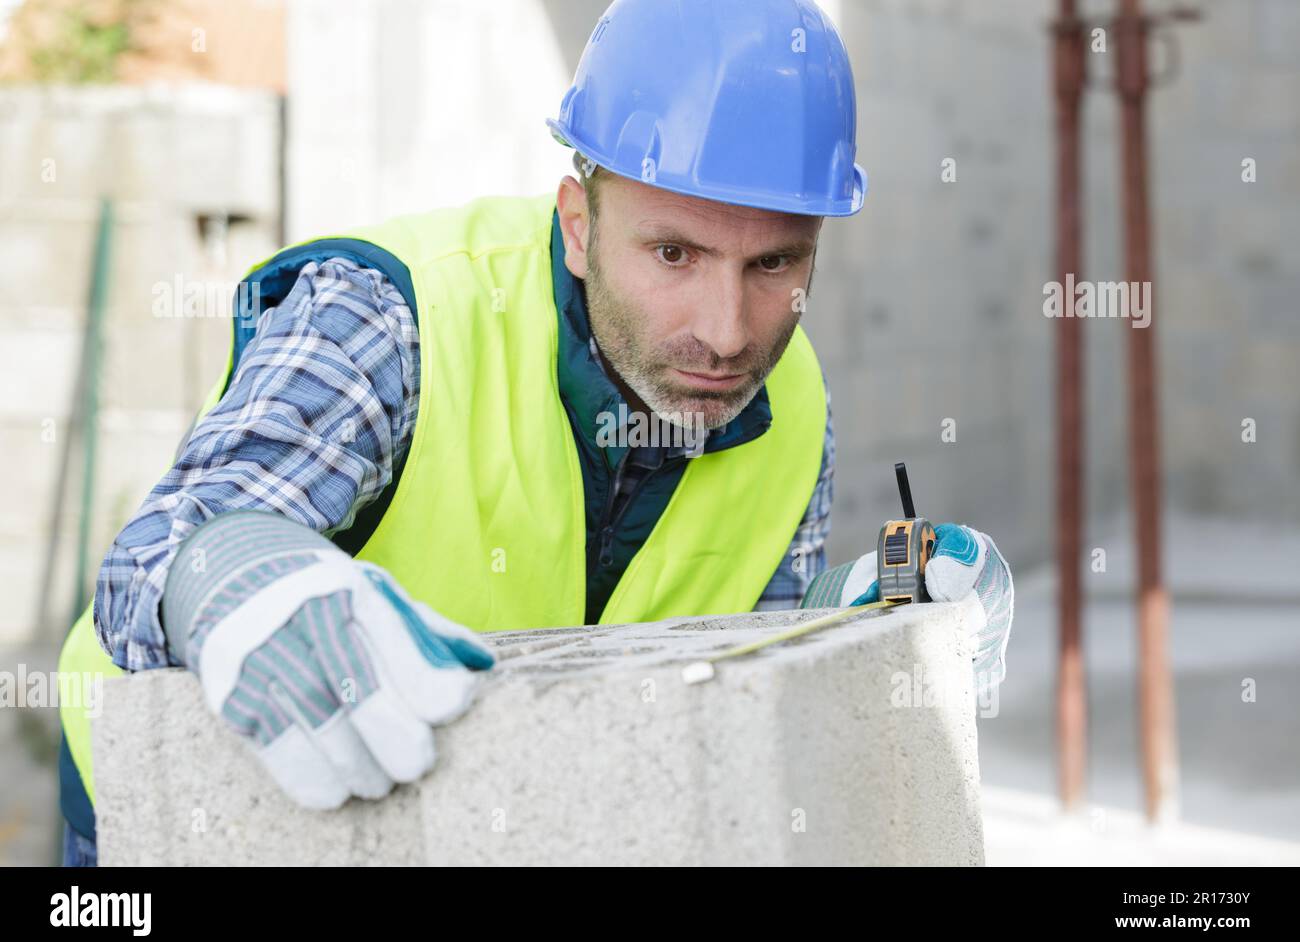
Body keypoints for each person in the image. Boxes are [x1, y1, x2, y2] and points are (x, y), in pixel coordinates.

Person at [56, 0, 1012, 865]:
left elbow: (730, 689)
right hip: (188, 818)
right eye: (674, 253)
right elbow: (150, 560)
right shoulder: (395, 315)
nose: (727, 332)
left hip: (508, 816)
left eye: (773, 264)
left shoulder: (793, 401)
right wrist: (230, 578)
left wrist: (848, 634)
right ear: (579, 226)